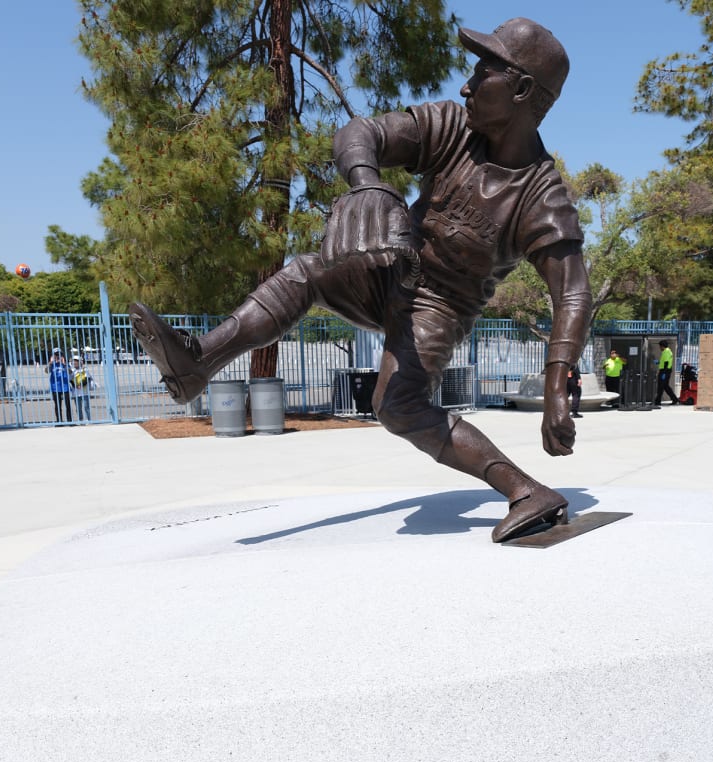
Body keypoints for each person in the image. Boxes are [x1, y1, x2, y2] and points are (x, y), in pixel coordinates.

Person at [129, 17, 591, 542]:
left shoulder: (541, 196)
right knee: (306, 271)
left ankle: (528, 491)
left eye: (484, 71)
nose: (467, 84)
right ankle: (196, 364)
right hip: (390, 268)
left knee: (397, 406)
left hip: (437, 309)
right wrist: (366, 183)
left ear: (522, 89)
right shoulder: (453, 126)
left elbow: (573, 292)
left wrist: (557, 383)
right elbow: (360, 131)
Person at [47, 347, 73, 423]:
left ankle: (69, 421)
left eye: (59, 354)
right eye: (56, 354)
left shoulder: (65, 364)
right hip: (55, 387)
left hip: (65, 386)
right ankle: (59, 421)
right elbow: (46, 371)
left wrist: (64, 364)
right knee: (57, 405)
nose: (58, 356)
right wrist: (50, 363)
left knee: (68, 405)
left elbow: (70, 372)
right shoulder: (52, 364)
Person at [652, 339, 680, 405]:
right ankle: (674, 399)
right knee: (665, 386)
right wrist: (659, 362)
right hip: (666, 370)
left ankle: (657, 401)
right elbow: (664, 361)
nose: (659, 348)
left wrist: (664, 373)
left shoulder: (666, 352)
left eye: (660, 346)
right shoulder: (666, 351)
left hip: (665, 371)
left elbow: (666, 363)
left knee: (661, 386)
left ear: (662, 346)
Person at [70, 356, 95, 421]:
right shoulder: (72, 370)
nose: (75, 362)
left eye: (76, 361)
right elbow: (70, 380)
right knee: (78, 408)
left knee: (86, 407)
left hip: (84, 391)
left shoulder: (85, 369)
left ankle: (89, 419)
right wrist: (76, 385)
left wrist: (80, 385)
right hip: (76, 392)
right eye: (74, 361)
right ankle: (80, 419)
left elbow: (87, 378)